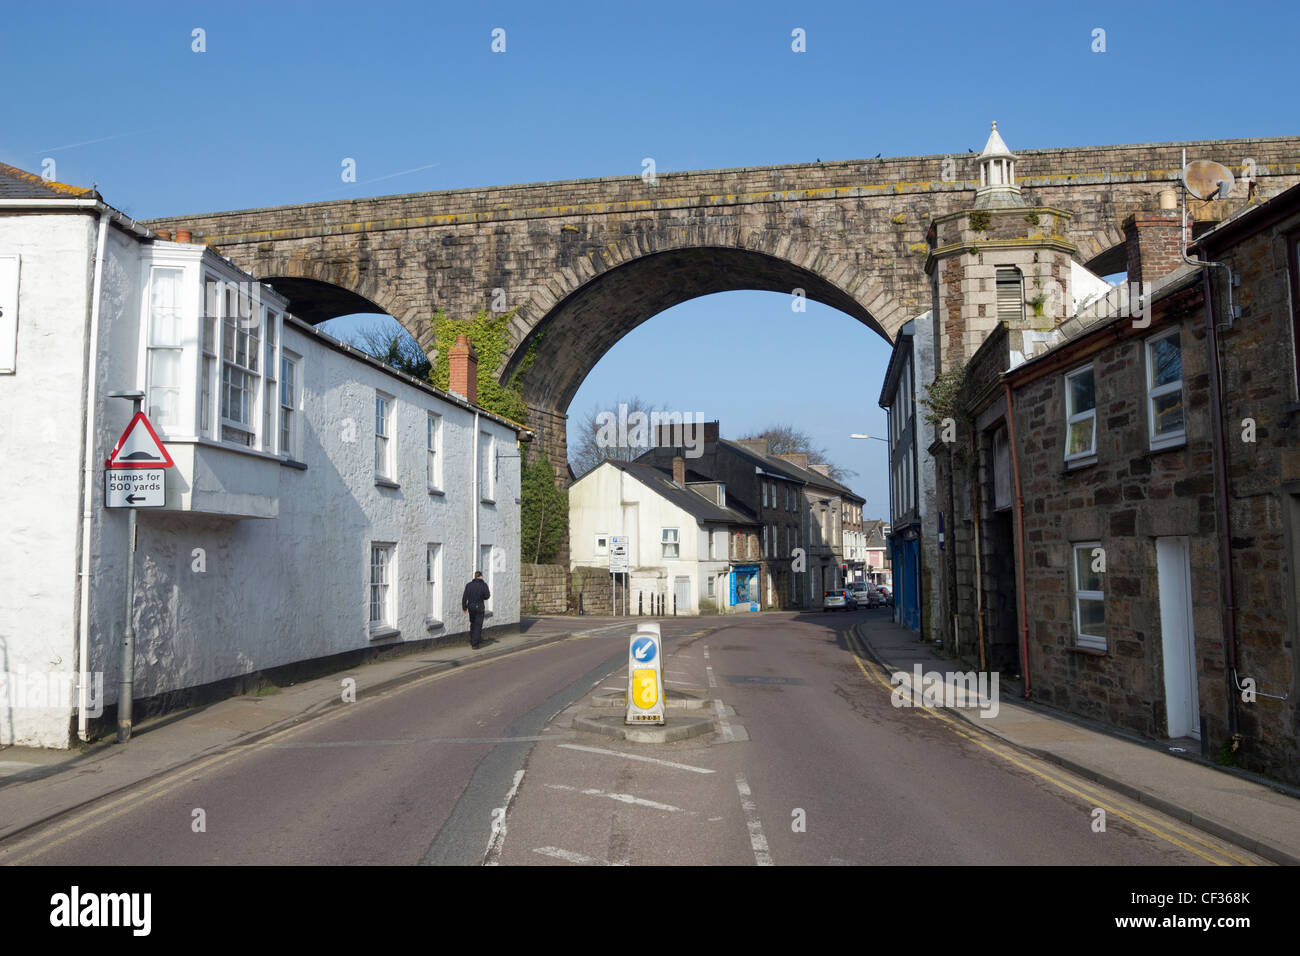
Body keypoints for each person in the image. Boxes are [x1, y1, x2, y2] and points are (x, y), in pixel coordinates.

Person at [462, 571, 491, 649]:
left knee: (473, 624)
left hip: (471, 607)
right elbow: (487, 596)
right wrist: (482, 597)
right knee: (478, 625)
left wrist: (464, 607)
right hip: (480, 607)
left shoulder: (468, 585)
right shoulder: (483, 585)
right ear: (480, 576)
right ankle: (475, 644)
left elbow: (464, 597)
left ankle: (472, 640)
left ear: (475, 577)